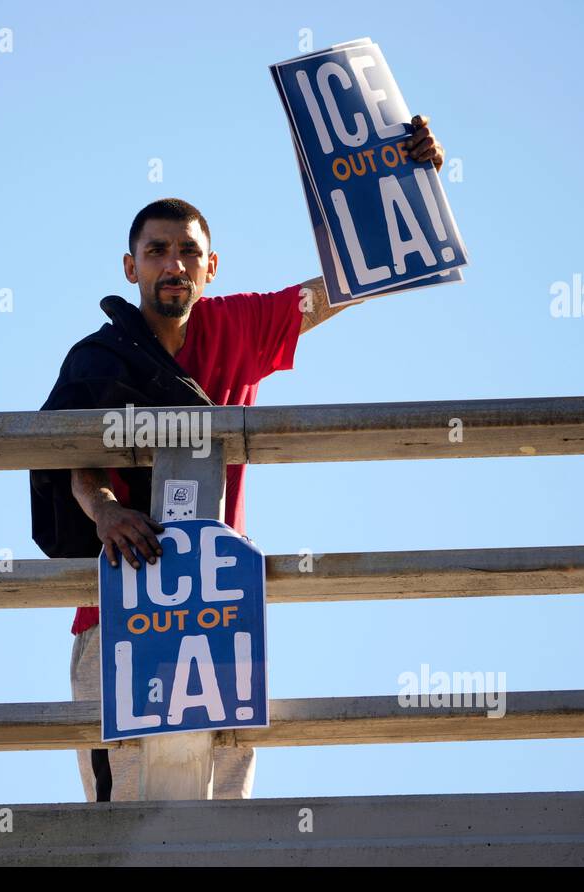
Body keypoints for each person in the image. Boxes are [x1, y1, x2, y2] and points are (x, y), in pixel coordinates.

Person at [30, 117, 445, 802]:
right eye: (157, 251)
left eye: (189, 252)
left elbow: (347, 280)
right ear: (130, 268)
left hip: (220, 602)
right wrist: (105, 513)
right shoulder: (97, 358)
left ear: (210, 267)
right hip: (112, 607)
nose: (174, 265)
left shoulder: (238, 326)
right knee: (120, 820)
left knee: (226, 824)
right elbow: (70, 454)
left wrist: (409, 180)